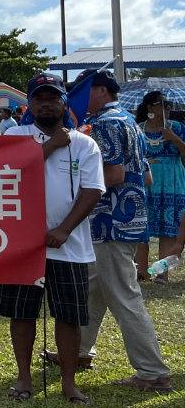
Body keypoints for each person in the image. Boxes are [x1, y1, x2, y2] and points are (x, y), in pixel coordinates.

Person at [0, 74, 104, 404]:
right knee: (23, 314)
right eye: (39, 98)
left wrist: (64, 230)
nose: (46, 103)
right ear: (28, 103)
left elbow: (93, 190)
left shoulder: (85, 143)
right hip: (21, 247)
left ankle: (68, 383)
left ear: (64, 102)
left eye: (53, 98)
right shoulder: (14, 135)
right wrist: (50, 146)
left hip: (69, 246)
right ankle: (24, 377)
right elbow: (6, 175)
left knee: (69, 318)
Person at [74, 72, 172, 391]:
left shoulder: (104, 123)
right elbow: (145, 178)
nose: (78, 97)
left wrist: (73, 185)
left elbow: (112, 175)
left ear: (101, 90)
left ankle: (152, 371)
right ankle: (78, 351)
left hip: (109, 222)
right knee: (92, 289)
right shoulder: (129, 120)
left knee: (123, 295)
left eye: (83, 91)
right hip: (126, 219)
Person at [136, 91, 185, 281]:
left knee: (169, 228)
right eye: (162, 104)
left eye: (169, 104)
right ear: (149, 108)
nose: (167, 108)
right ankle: (141, 271)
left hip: (173, 181)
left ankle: (161, 273)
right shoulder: (138, 128)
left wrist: (174, 138)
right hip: (146, 180)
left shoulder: (178, 128)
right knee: (141, 226)